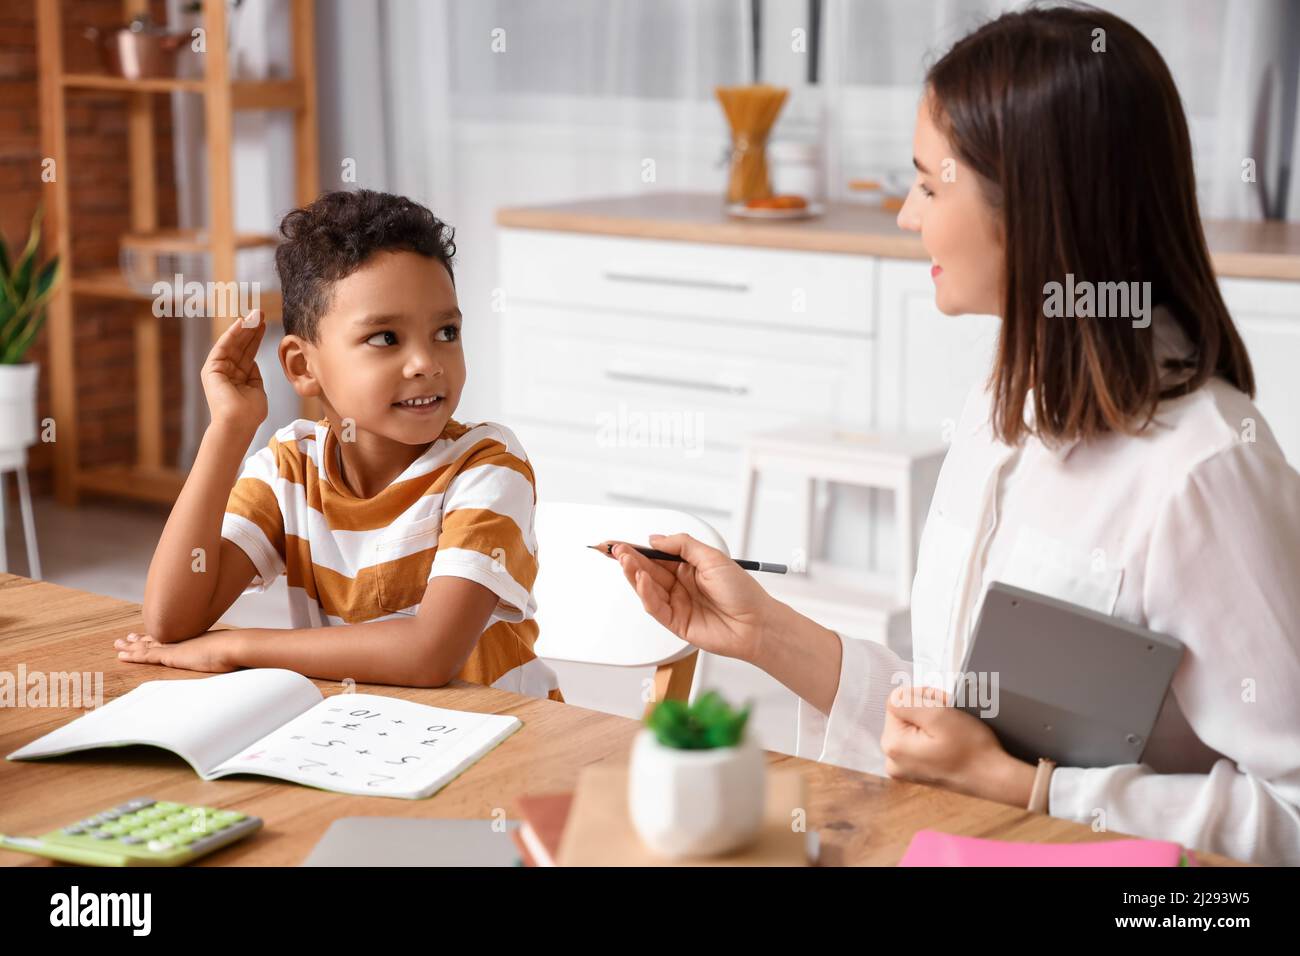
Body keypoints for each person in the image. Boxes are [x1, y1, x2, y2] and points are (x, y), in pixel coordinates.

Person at [606, 5, 1300, 865]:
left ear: (1038, 205)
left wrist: (1039, 792)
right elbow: (945, 729)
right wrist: (764, 634)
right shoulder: (1002, 409)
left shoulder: (1204, 468)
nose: (906, 216)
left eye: (931, 186)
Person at [121, 189, 561, 701]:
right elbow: (171, 619)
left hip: (505, 742)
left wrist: (237, 647)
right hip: (368, 738)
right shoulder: (291, 468)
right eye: (385, 338)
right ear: (303, 367)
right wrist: (228, 430)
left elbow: (430, 653)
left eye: (446, 331)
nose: (426, 362)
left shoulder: (488, 468)